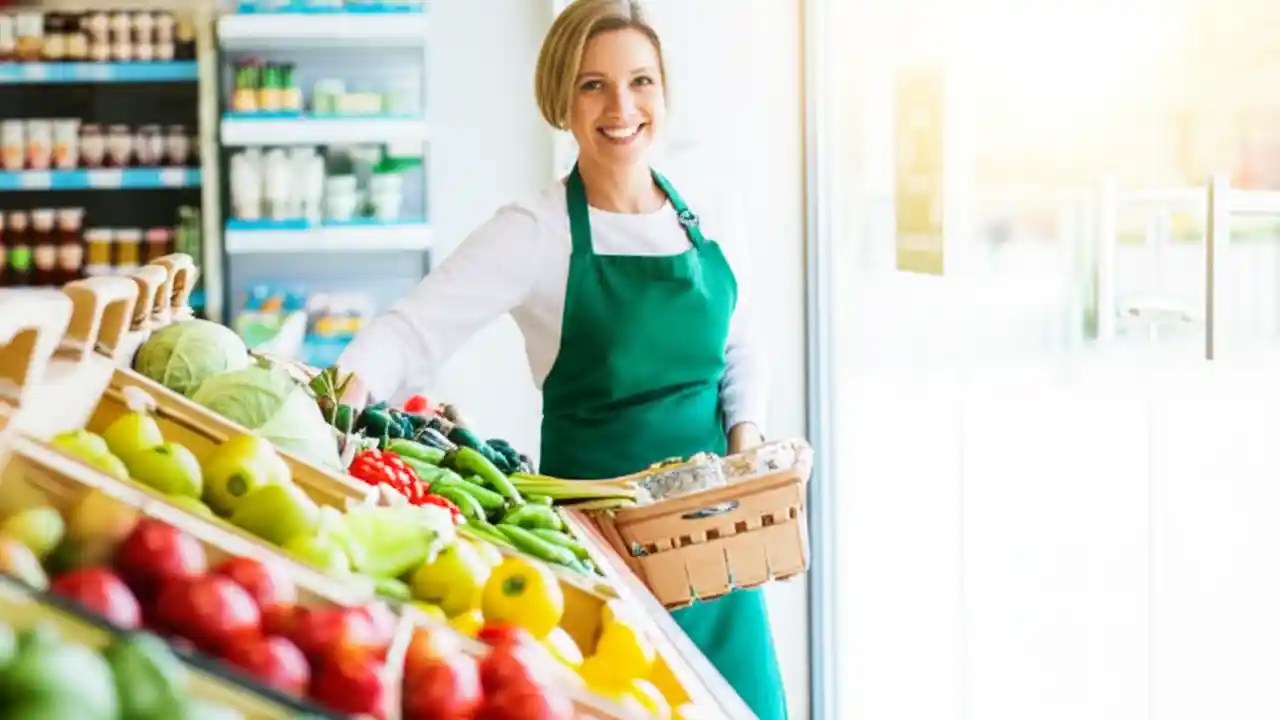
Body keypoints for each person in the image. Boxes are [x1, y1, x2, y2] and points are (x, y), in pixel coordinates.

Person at [335, 1, 786, 717]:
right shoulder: (535, 233)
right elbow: (413, 331)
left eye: (641, 81)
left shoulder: (714, 211)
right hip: (602, 560)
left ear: (663, 92)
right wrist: (336, 395)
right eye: (593, 85)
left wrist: (745, 455)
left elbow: (742, 349)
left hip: (715, 550)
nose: (621, 106)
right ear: (561, 100)